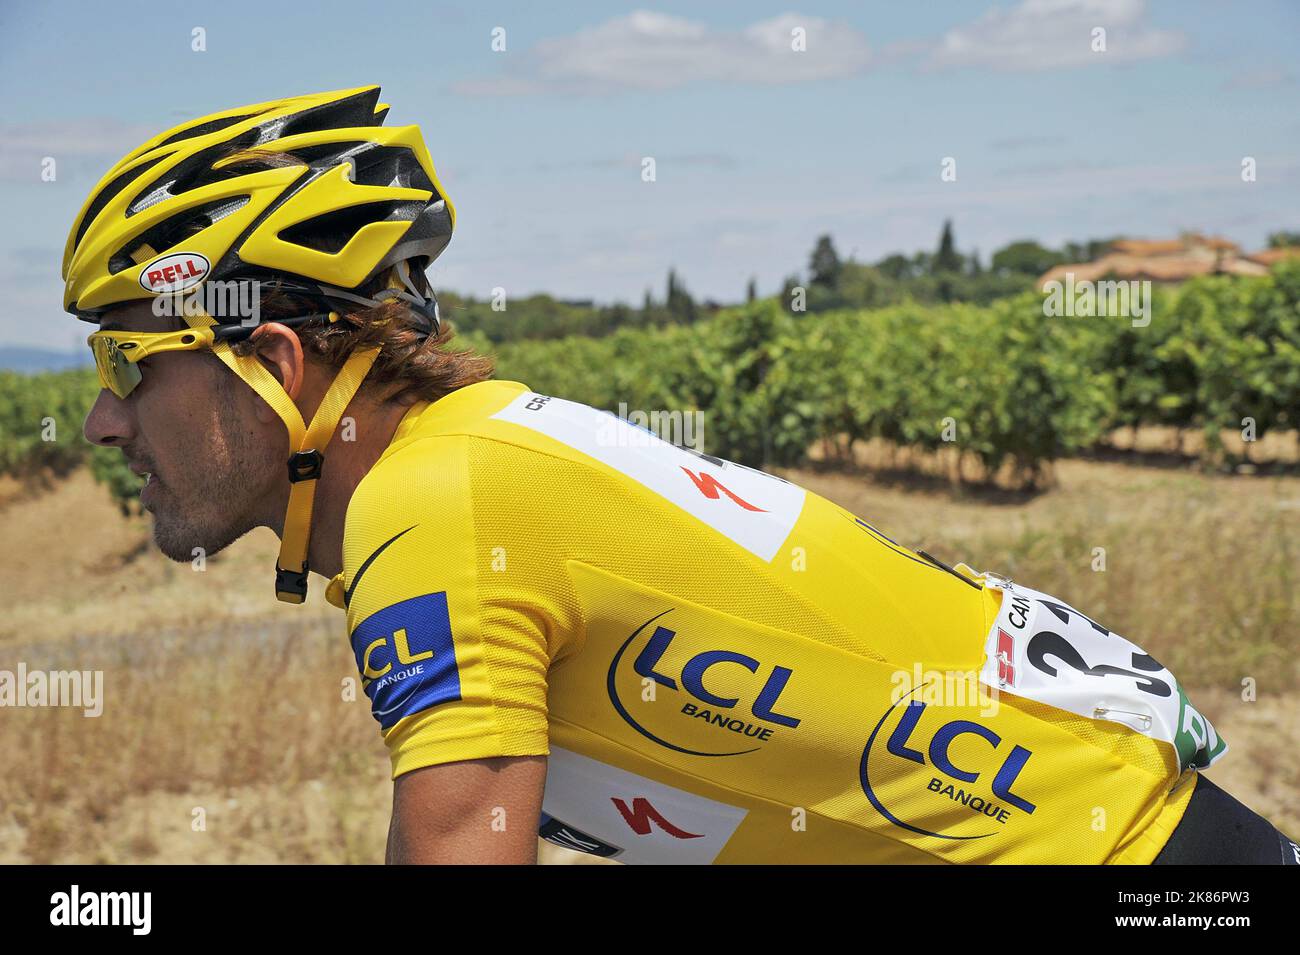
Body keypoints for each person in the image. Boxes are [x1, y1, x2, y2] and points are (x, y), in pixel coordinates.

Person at [65, 86, 1296, 865]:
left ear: (273, 360)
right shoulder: (475, 455)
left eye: (128, 362)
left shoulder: (432, 511)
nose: (104, 424)